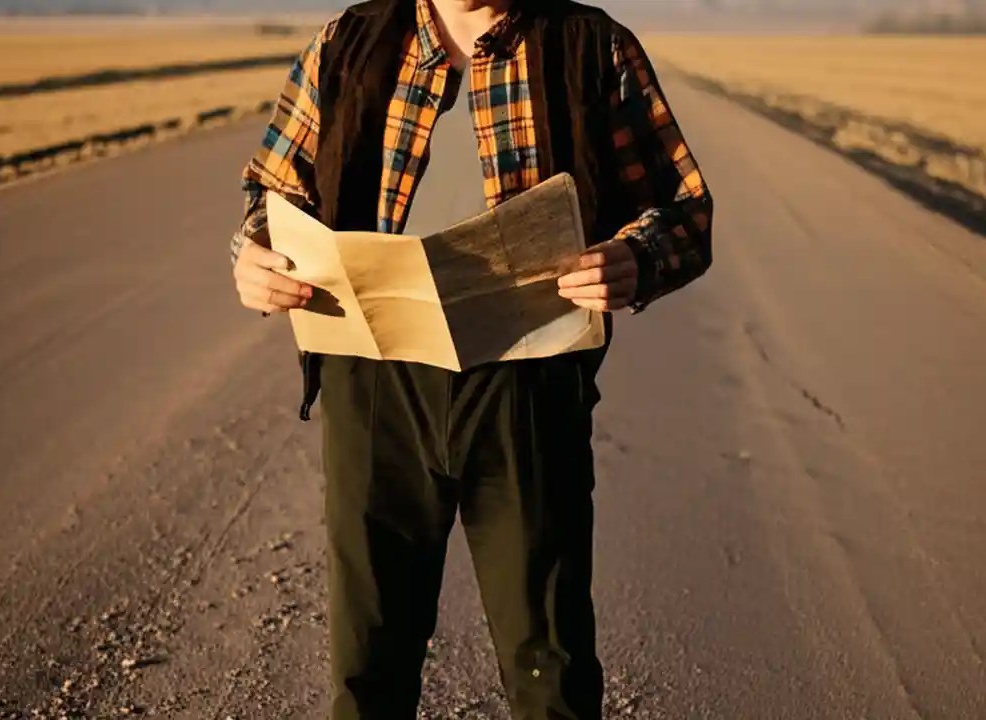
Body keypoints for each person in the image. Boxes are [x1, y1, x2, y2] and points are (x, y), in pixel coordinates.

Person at [230, 0, 712, 715]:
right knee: (368, 671)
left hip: (529, 389)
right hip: (372, 389)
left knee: (550, 667)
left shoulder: (591, 48)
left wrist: (636, 258)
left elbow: (685, 208)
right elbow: (272, 196)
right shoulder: (344, 44)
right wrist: (252, 257)